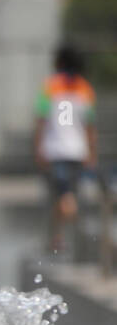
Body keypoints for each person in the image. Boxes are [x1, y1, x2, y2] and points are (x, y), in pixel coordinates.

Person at [34, 46, 99, 252]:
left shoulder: (49, 87)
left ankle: (61, 235)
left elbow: (41, 121)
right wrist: (91, 152)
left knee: (59, 196)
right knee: (71, 192)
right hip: (77, 151)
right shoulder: (85, 89)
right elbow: (89, 125)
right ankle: (63, 239)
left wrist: (38, 147)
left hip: (54, 150)